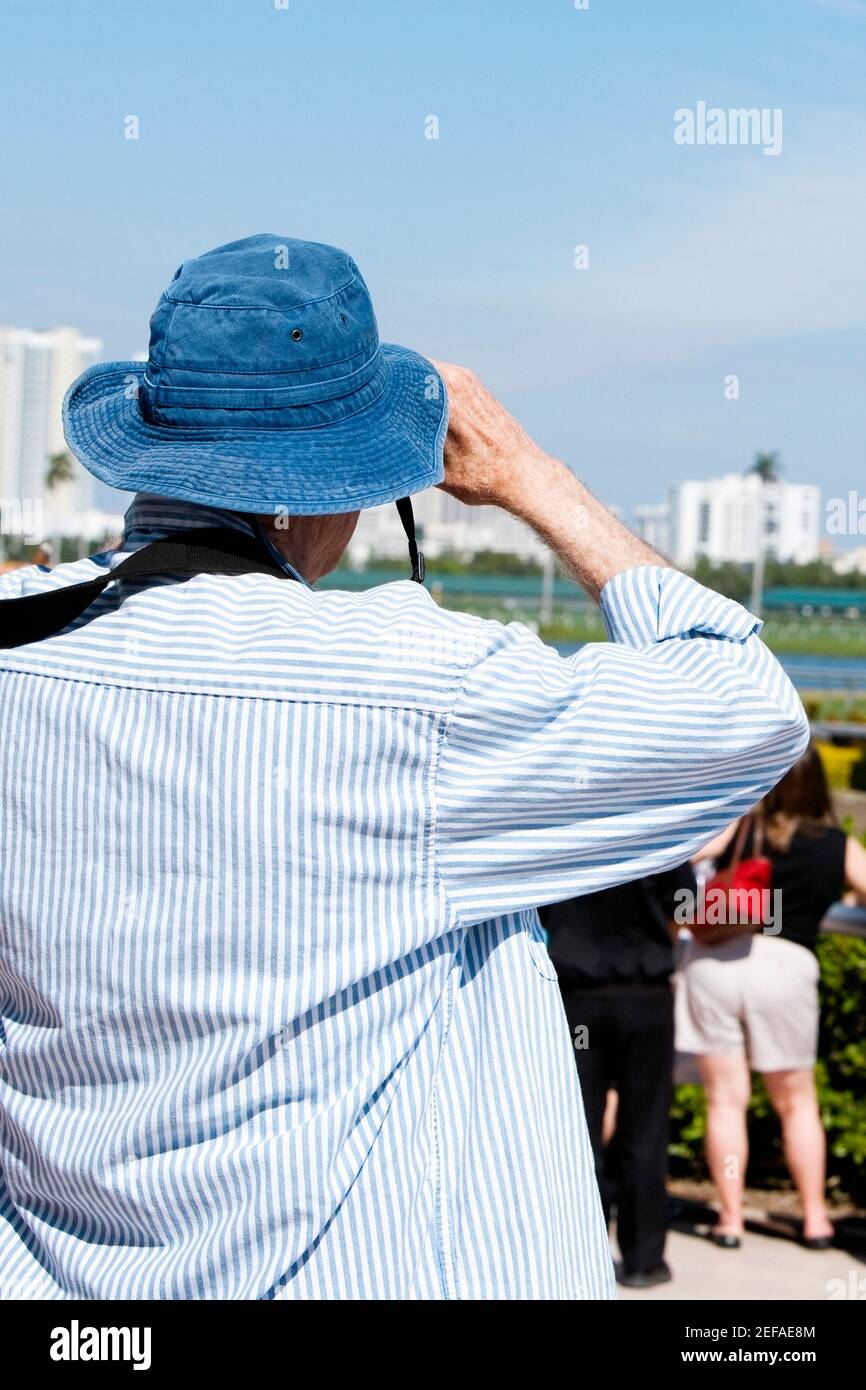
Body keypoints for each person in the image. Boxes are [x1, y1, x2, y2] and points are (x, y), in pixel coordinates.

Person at [0, 234, 808, 1300]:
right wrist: (533, 478)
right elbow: (747, 711)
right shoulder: (411, 691)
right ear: (347, 480)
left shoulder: (21, 656)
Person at [677, 742, 866, 1249]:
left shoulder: (742, 826)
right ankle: (816, 1219)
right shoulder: (835, 844)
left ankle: (731, 1219)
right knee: (797, 1103)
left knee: (724, 1101)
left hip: (717, 963)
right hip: (788, 968)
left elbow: (686, 857)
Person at [540, 863, 696, 1289]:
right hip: (644, 997)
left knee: (575, 1131)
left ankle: (574, 1253)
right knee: (644, 1130)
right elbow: (684, 910)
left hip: (577, 1000)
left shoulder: (567, 832)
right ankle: (644, 1258)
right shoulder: (660, 832)